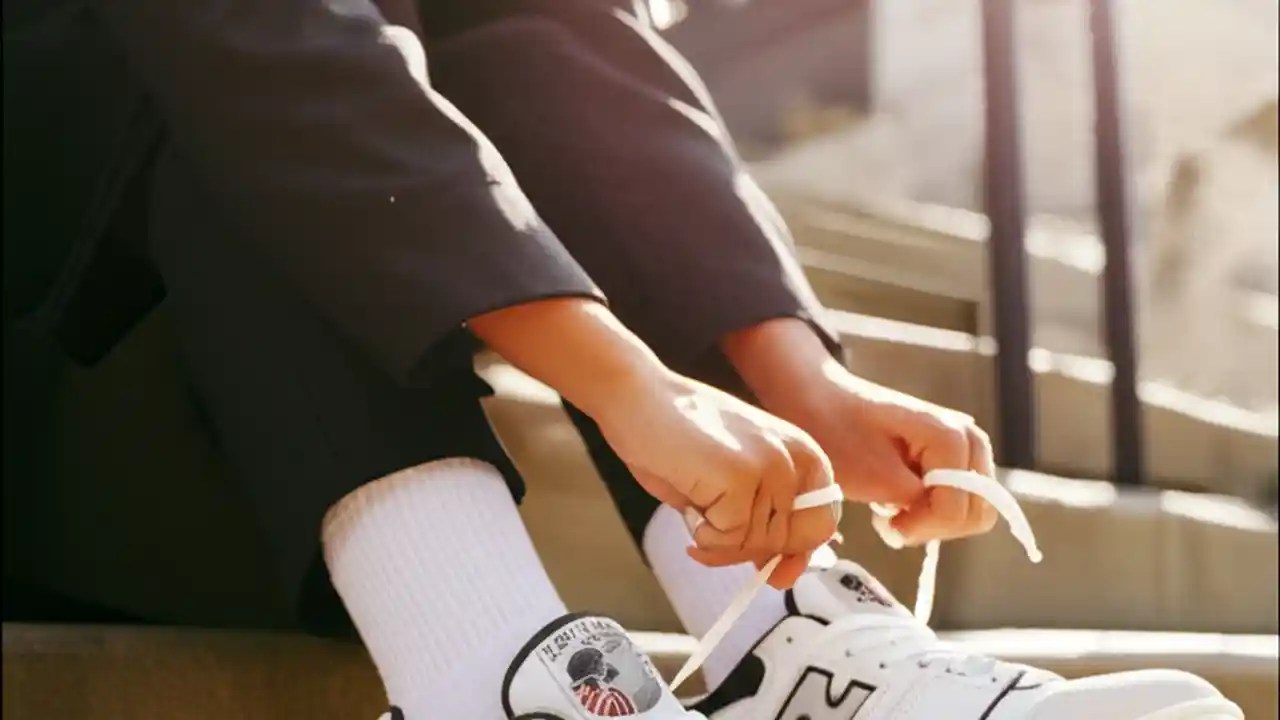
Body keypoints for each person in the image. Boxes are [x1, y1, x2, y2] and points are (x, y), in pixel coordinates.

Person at [3, 1, 1240, 718]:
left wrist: (792, 376)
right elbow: (258, 45)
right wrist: (627, 384)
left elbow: (567, 40)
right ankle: (480, 671)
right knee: (223, 55)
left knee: (525, 24)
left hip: (266, 435)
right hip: (84, 404)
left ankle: (779, 639)